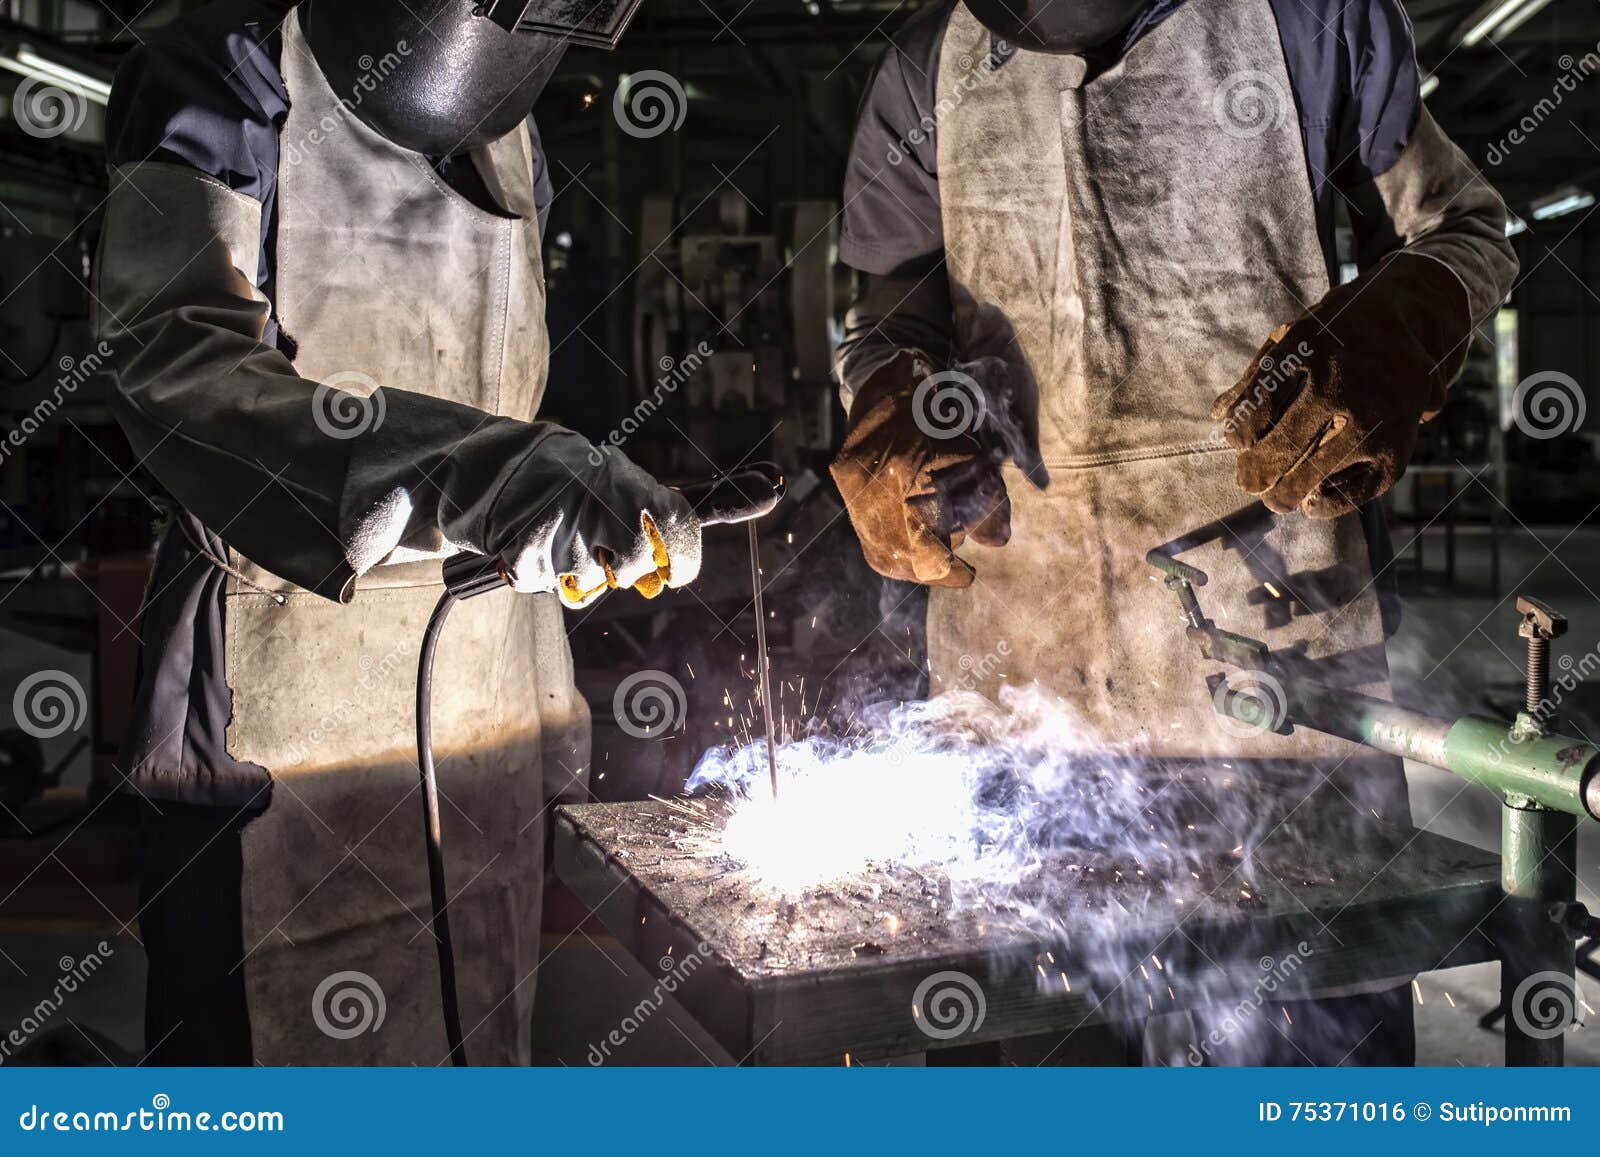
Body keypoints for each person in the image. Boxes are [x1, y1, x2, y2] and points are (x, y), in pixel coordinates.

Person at [830, 0, 1516, 1064]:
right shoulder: (929, 62)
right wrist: (884, 392)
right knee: (1032, 1055)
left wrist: (1404, 315)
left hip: (1275, 668)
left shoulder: (1307, 22)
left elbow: (1465, 229)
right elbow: (889, 306)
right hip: (1023, 675)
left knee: (1308, 1044)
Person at [95, 0, 695, 1065]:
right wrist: (481, 476)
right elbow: (175, 369)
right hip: (276, 704)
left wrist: (573, 498)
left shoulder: (508, 127)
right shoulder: (225, 66)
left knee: (463, 1049)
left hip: (480, 720)